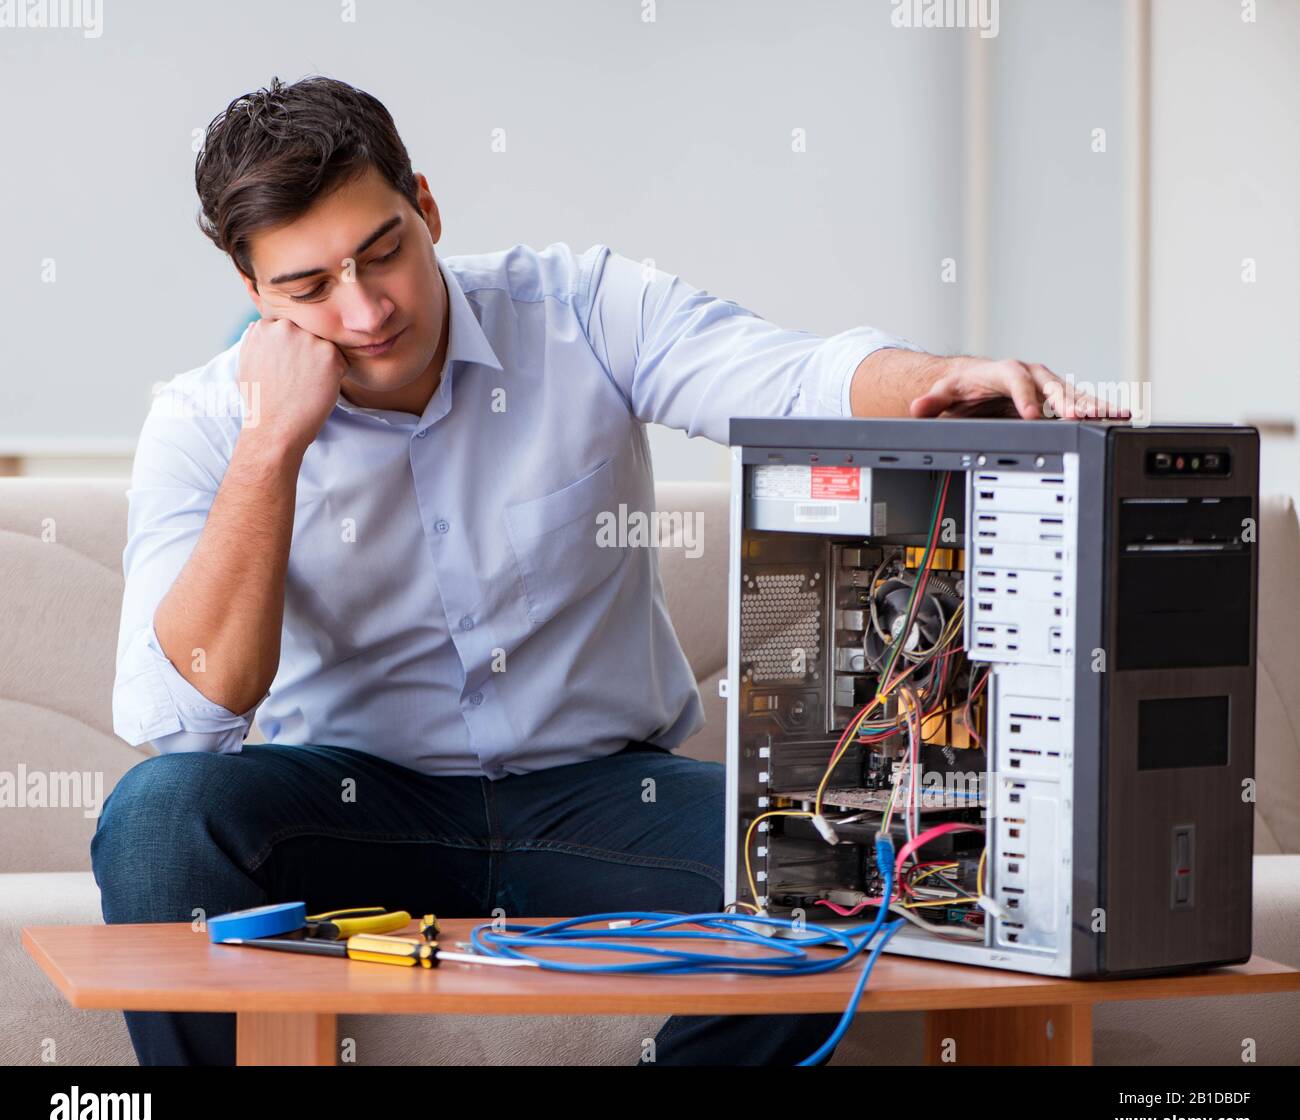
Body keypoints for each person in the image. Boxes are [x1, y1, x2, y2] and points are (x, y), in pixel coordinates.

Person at [92, 75, 1107, 1067]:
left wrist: (935, 379)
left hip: (604, 800)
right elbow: (187, 722)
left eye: (382, 251)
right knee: (157, 819)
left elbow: (794, 378)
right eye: (310, 288)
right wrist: (270, 445)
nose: (364, 313)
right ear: (254, 293)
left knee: (841, 863)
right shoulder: (204, 419)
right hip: (353, 805)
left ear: (427, 207)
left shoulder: (578, 308)